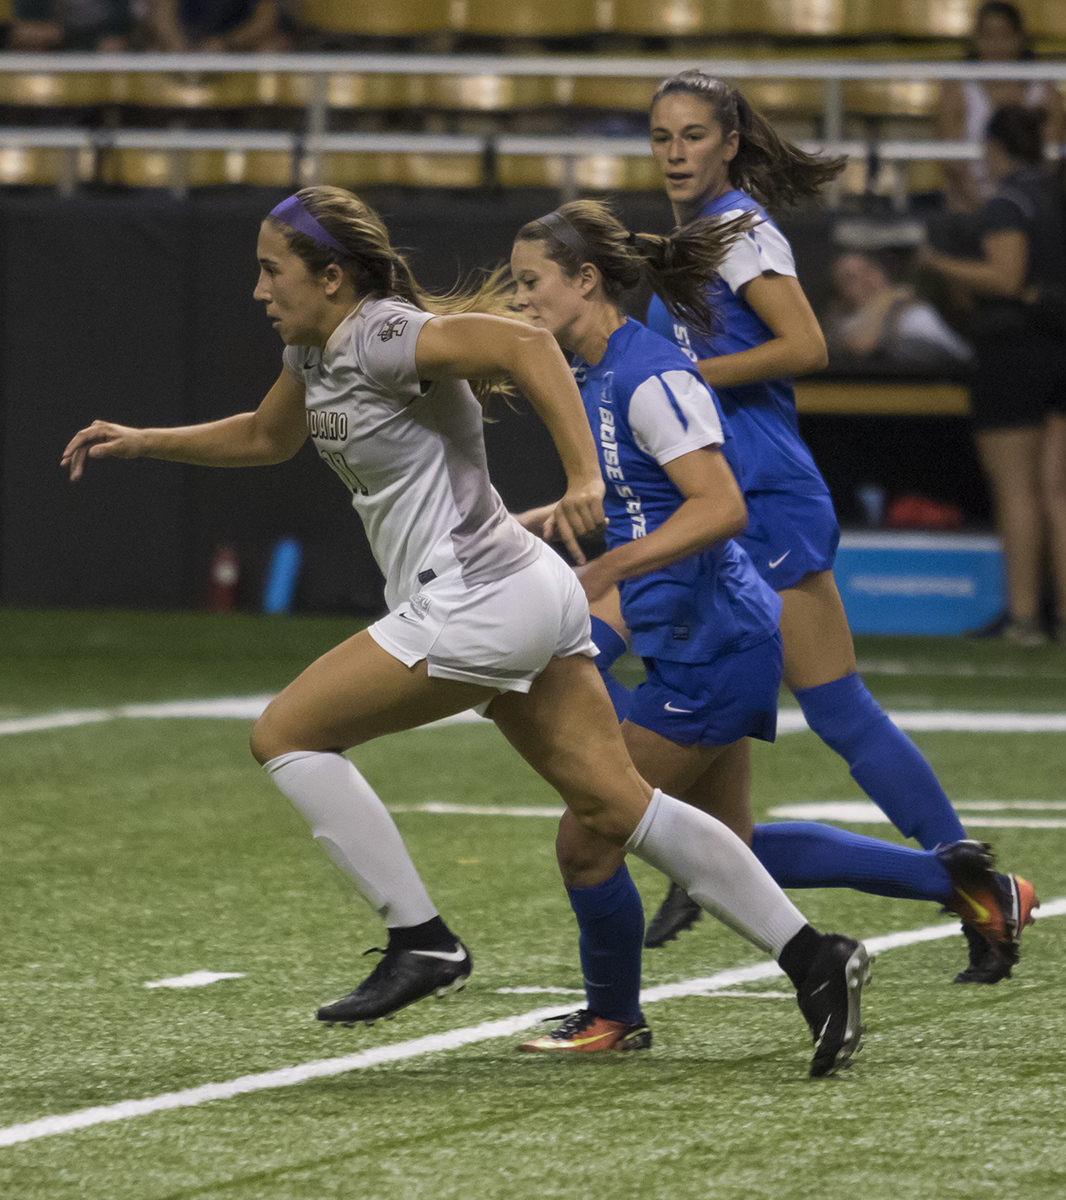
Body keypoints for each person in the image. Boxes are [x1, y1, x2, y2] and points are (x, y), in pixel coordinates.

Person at [62, 185, 871, 1077]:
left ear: (332, 276)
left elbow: (527, 345)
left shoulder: (380, 332)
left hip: (478, 599)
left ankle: (422, 938)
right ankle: (814, 958)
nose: (257, 289)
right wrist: (142, 441)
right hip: (523, 593)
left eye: (270, 269)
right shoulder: (316, 351)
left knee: (286, 734)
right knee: (619, 807)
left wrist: (579, 476)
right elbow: (264, 437)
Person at [500, 201, 1033, 1051]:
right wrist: (546, 522)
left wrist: (604, 570)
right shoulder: (596, 369)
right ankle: (967, 887)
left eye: (530, 283)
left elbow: (720, 507)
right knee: (730, 845)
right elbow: (640, 494)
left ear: (585, 280)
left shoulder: (650, 374)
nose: (518, 300)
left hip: (710, 645)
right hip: (698, 633)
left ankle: (615, 1018)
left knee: (590, 837)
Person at [640, 69, 1029, 983]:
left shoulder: (738, 233)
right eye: (662, 137)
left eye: (693, 135)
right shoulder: (694, 238)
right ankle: (958, 883)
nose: (675, 152)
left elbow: (806, 347)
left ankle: (965, 876)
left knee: (835, 706)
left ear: (729, 142)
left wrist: (685, 384)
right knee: (704, 776)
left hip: (760, 494)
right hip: (711, 501)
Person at [919, 106, 1066, 648]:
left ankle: (1025, 620)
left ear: (995, 150)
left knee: (1017, 492)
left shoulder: (1007, 204)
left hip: (1014, 354)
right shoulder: (1064, 199)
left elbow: (1006, 278)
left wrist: (938, 263)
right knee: (1059, 489)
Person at [937, 2, 1066, 214]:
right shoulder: (957, 89)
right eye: (987, 36)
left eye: (1005, 36)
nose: (997, 46)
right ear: (975, 39)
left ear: (1020, 38)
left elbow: (1051, 156)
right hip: (971, 201)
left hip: (1029, 200)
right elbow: (953, 159)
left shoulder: (1045, 91)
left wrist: (1020, 202)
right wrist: (981, 203)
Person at [828, 250, 974, 371]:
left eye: (867, 270)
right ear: (839, 293)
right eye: (851, 278)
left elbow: (961, 356)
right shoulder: (837, 326)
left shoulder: (911, 312)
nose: (865, 280)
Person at [147, 0, 286, 52]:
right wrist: (180, 46)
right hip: (185, 46)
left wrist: (225, 43)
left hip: (240, 48)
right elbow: (162, 15)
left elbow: (265, 19)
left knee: (271, 48)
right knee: (154, 51)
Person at [10, 0, 134, 51]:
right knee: (32, 45)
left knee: (112, 49)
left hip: (98, 52)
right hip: (53, 54)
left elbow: (117, 35)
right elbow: (26, 30)